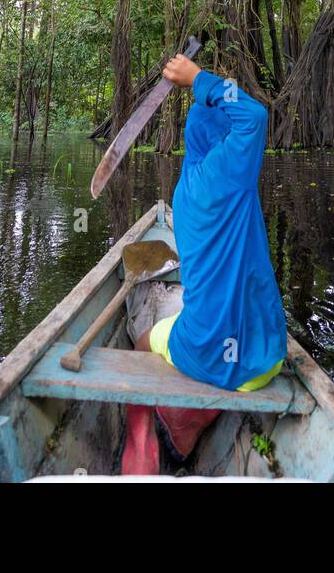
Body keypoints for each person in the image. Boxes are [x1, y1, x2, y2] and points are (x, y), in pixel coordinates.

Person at [122, 52, 288, 473]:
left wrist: (196, 80)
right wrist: (201, 80)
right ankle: (199, 416)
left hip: (205, 353)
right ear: (228, 140)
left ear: (193, 138)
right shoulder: (234, 172)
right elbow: (251, 113)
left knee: (144, 341)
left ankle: (148, 430)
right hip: (267, 360)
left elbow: (246, 117)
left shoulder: (188, 190)